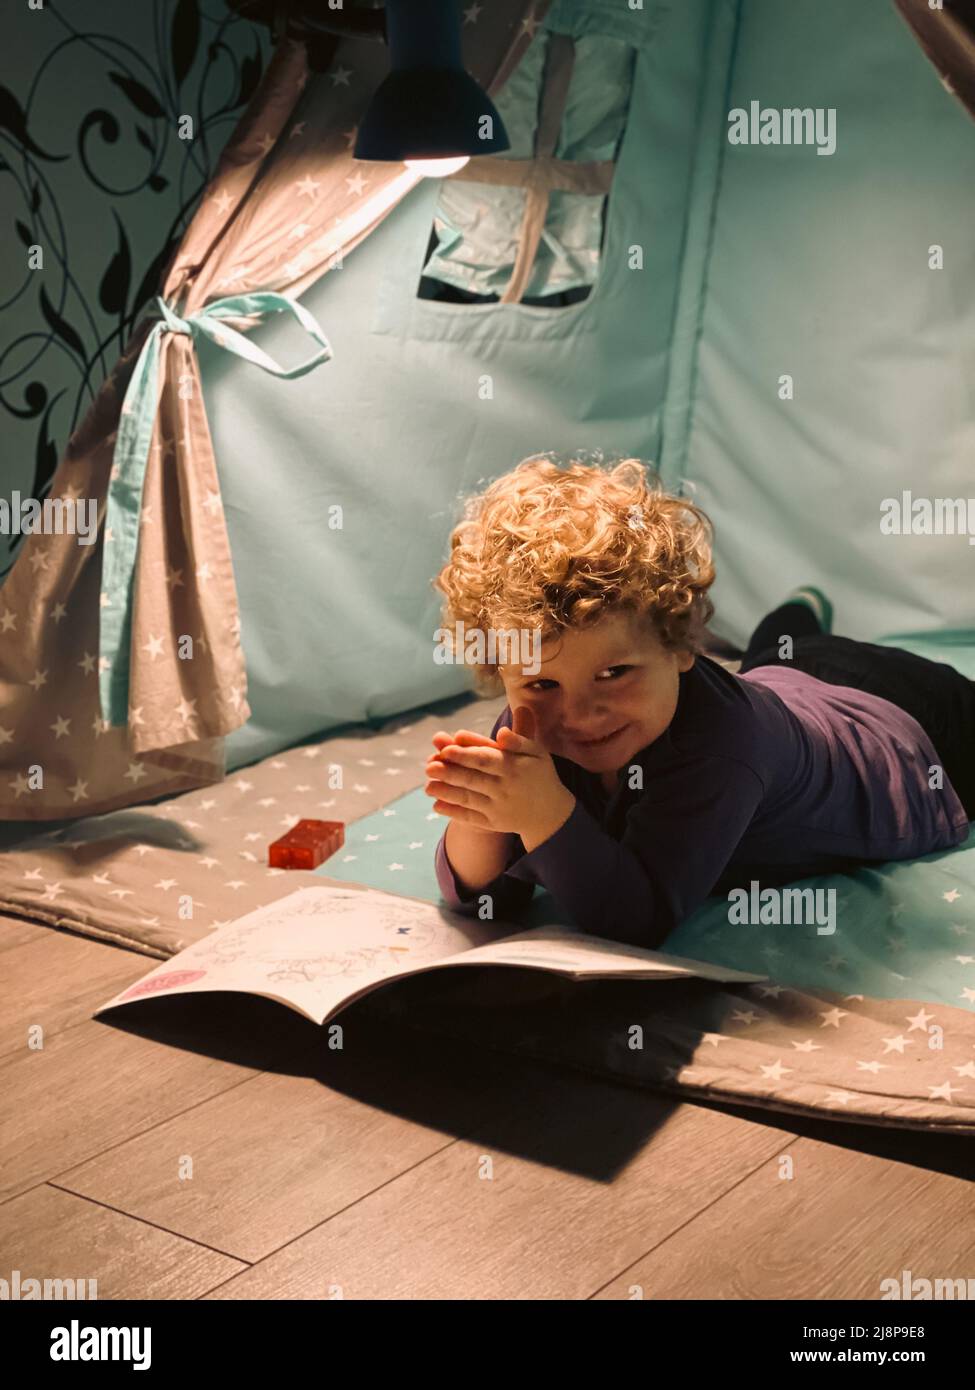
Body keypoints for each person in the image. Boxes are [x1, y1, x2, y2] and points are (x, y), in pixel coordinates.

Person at [425, 456, 973, 949]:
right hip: (783, 679)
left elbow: (635, 919)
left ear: (684, 644)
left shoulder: (721, 750)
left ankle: (797, 618)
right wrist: (482, 813)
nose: (581, 714)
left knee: (794, 660)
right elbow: (483, 901)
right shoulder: (535, 725)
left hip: (909, 730)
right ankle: (796, 614)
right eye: (542, 685)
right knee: (776, 653)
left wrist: (542, 812)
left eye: (615, 673)